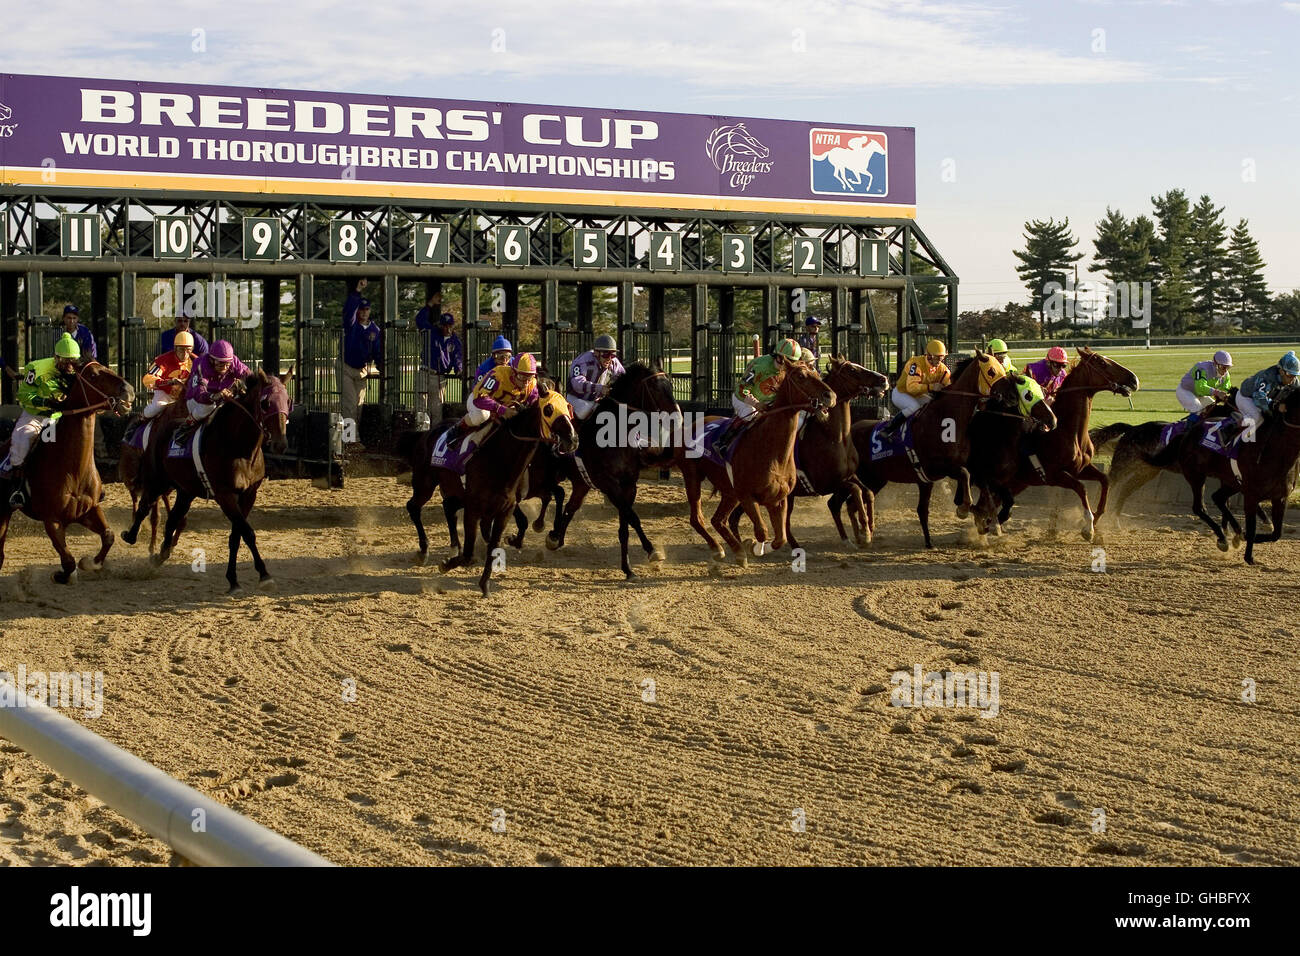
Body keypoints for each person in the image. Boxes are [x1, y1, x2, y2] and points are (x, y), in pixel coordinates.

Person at [0, 332, 80, 508]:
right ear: (56, 357)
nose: (69, 366)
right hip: (36, 416)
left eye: (73, 361)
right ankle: (17, 486)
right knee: (22, 439)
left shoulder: (79, 373)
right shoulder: (37, 368)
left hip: (60, 418)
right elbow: (23, 394)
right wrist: (44, 402)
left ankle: (89, 486)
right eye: (65, 361)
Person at [712, 338, 802, 456]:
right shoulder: (760, 366)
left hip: (767, 401)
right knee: (751, 414)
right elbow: (742, 390)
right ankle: (723, 442)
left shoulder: (789, 371)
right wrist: (756, 404)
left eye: (792, 362)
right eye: (785, 360)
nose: (787, 365)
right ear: (777, 356)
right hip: (742, 398)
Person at [449, 352, 540, 442]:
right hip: (478, 401)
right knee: (482, 415)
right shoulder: (497, 375)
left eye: (530, 377)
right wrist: (502, 410)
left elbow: (533, 406)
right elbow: (480, 399)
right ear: (513, 372)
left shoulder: (532, 384)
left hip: (502, 406)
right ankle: (459, 427)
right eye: (522, 376)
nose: (526, 383)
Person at [173, 339, 250, 443]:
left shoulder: (233, 362)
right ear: (211, 360)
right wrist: (214, 396)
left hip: (222, 398)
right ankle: (185, 427)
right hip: (197, 400)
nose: (225, 368)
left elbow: (249, 375)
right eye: (221, 364)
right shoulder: (201, 366)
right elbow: (199, 393)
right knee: (209, 406)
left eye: (227, 364)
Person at [125, 330, 195, 443]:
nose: (185, 354)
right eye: (181, 350)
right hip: (165, 393)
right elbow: (148, 378)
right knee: (157, 407)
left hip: (184, 396)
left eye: (188, 350)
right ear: (175, 348)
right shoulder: (163, 360)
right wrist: (168, 382)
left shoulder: (195, 361)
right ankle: (136, 423)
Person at [881, 339, 951, 434]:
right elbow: (911, 388)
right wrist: (931, 387)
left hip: (918, 395)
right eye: (937, 357)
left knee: (934, 406)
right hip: (901, 393)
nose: (940, 360)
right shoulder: (916, 363)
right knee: (914, 407)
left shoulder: (943, 369)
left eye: (942, 357)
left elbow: (949, 386)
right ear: (929, 356)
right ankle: (888, 429)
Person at [338, 299, 382, 427]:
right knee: (349, 404)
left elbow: (377, 352)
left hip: (362, 370)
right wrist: (356, 293)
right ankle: (350, 437)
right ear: (357, 311)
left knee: (358, 405)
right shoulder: (351, 325)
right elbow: (348, 313)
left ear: (370, 310)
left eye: (366, 309)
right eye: (361, 309)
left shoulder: (375, 330)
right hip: (345, 367)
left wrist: (381, 366)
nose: (364, 312)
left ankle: (354, 433)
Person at [1236, 351, 1300, 436]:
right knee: (1257, 418)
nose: (1292, 379)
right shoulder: (1268, 377)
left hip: (1265, 400)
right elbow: (1259, 398)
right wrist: (1276, 406)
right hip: (1246, 397)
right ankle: (1232, 425)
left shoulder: (1294, 383)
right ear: (1281, 371)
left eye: (1295, 375)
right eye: (1289, 374)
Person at [416, 310, 463, 422]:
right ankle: (420, 430)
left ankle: (435, 431)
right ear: (440, 326)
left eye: (450, 326)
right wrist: (429, 306)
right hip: (424, 372)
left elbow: (458, 358)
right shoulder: (432, 332)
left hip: (439, 376)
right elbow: (419, 320)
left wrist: (459, 369)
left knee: (436, 409)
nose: (447, 329)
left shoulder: (455, 342)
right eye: (445, 326)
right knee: (420, 407)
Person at [567, 334, 625, 420]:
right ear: (596, 353)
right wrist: (600, 388)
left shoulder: (614, 362)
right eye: (605, 354)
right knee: (584, 411)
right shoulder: (583, 361)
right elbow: (577, 385)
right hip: (576, 399)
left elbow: (624, 378)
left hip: (595, 401)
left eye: (612, 354)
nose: (609, 358)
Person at [1177, 350, 1232, 416]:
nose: (1225, 371)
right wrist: (1217, 393)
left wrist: (1225, 396)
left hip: (1200, 395)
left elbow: (1225, 389)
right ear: (1216, 365)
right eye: (1223, 367)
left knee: (1213, 409)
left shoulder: (1226, 375)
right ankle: (1190, 422)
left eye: (1228, 367)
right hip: (1185, 391)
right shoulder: (1202, 368)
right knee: (1197, 408)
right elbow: (1200, 388)